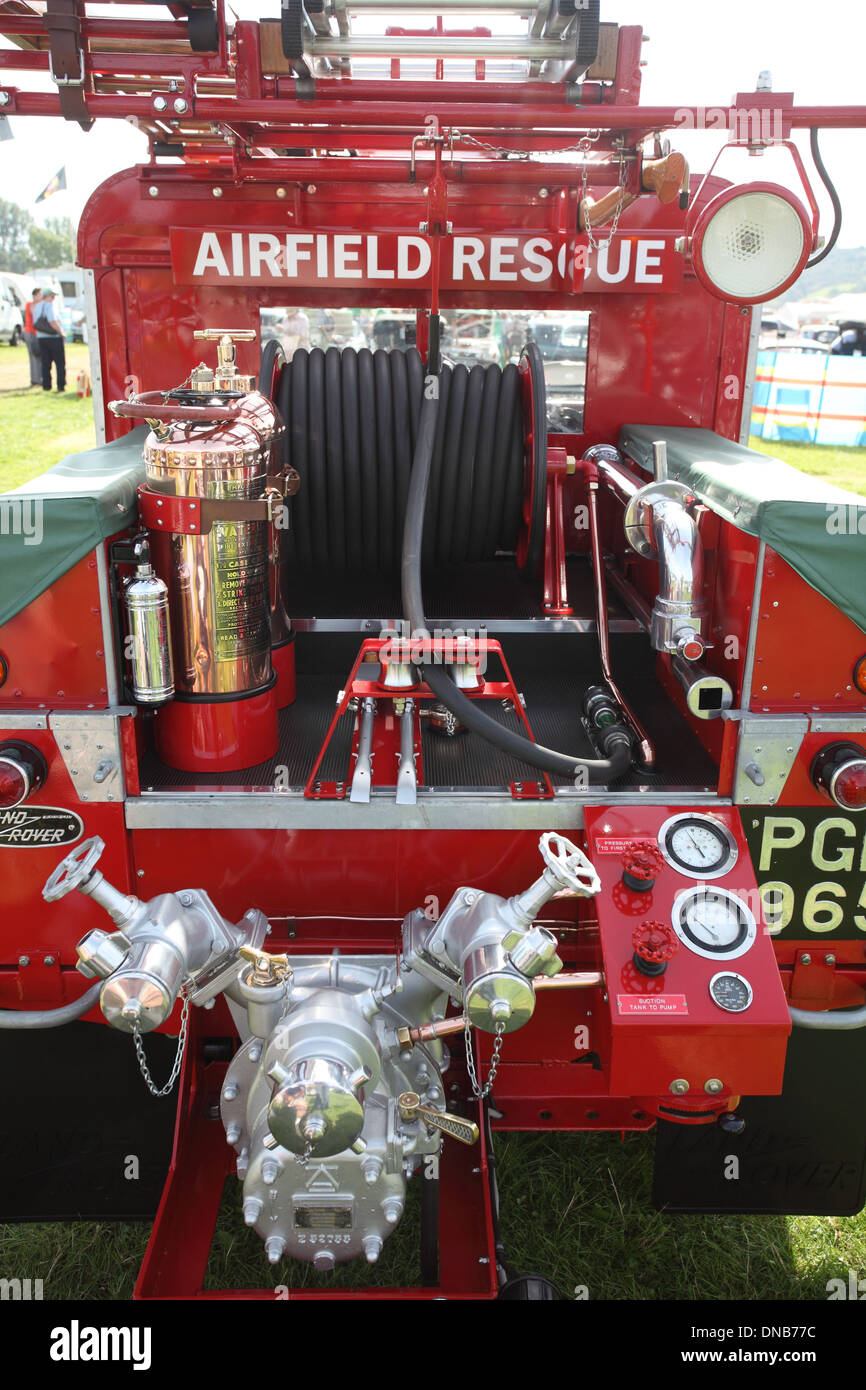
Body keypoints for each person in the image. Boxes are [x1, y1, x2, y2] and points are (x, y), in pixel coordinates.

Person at [33, 288, 66, 392]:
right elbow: (52, 321)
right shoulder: (49, 305)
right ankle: (61, 385)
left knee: (45, 363)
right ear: (47, 296)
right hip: (53, 338)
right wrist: (61, 333)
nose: (53, 298)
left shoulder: (37, 306)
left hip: (41, 338)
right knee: (60, 363)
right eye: (52, 296)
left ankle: (46, 385)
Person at [22, 287, 42, 387]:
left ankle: (39, 378)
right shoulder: (30, 304)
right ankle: (35, 380)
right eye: (39, 295)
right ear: (35, 295)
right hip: (30, 333)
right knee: (34, 356)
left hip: (36, 333)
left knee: (38, 356)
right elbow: (34, 313)